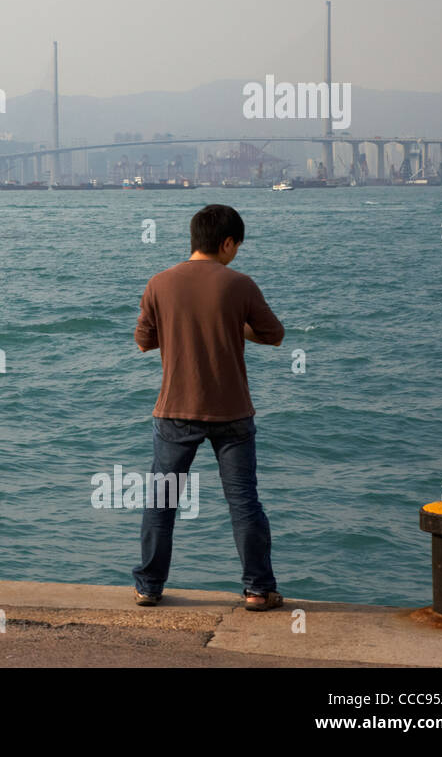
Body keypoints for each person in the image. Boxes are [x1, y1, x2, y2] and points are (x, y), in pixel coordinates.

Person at [132, 204, 285, 611]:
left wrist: (184, 332)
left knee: (162, 503)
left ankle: (149, 587)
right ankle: (257, 589)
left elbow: (144, 341)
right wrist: (232, 327)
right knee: (244, 502)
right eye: (237, 246)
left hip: (174, 411)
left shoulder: (159, 283)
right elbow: (274, 335)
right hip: (232, 411)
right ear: (227, 243)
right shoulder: (240, 285)